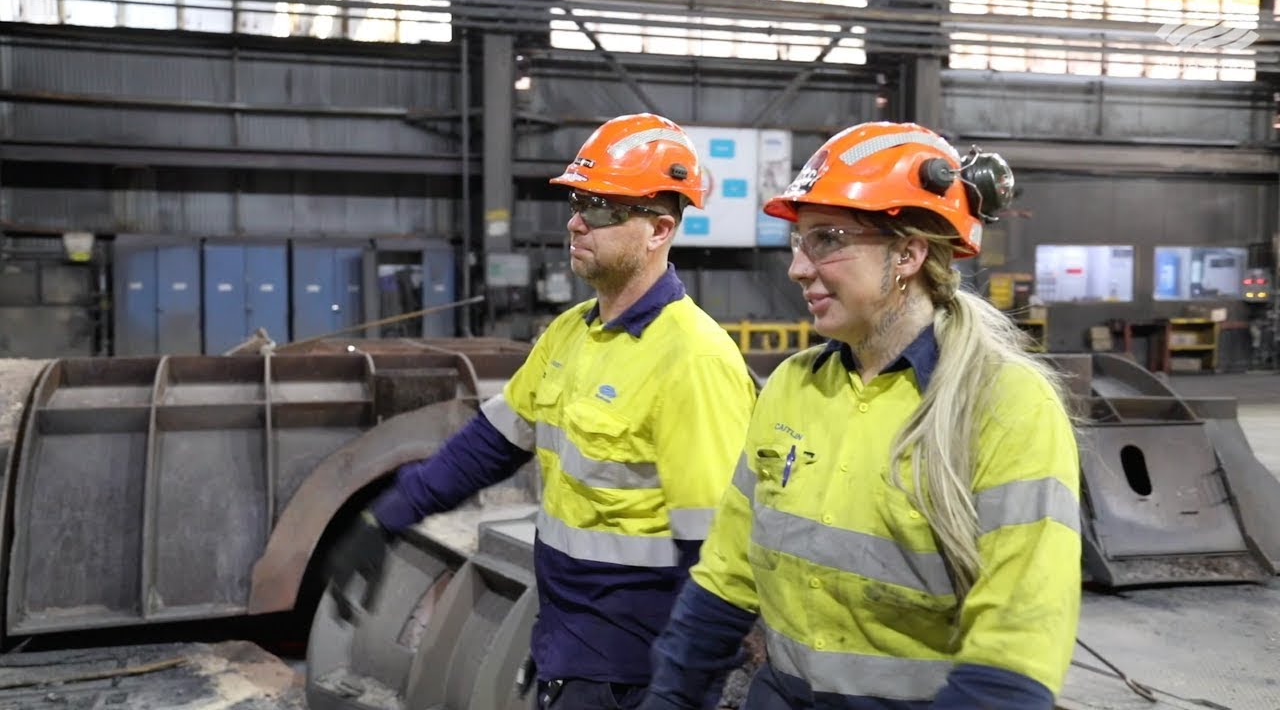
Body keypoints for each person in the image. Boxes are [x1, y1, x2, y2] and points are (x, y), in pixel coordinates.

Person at [639, 121, 1082, 710]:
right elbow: (726, 577)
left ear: (908, 253)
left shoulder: (1005, 405)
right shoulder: (794, 387)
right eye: (799, 242)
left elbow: (1015, 648)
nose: (798, 267)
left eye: (826, 239)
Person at [325, 113, 758, 710]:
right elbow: (491, 443)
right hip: (564, 646)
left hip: (631, 671)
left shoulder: (694, 359)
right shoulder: (569, 334)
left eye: (603, 208)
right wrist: (388, 516)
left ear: (659, 229)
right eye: (580, 201)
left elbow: (714, 553)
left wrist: (683, 688)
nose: (577, 222)